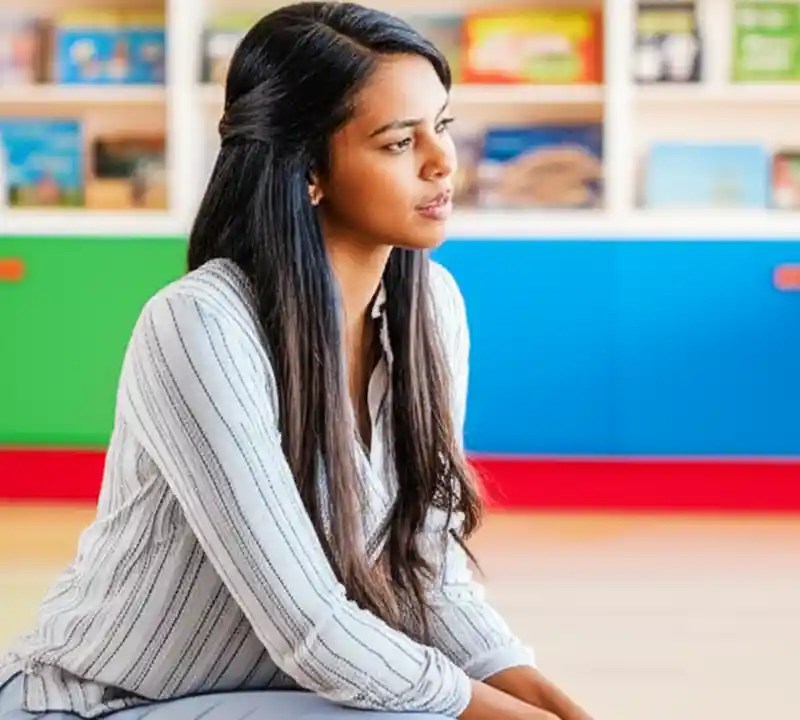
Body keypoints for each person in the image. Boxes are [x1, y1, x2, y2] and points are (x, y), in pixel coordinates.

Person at [0, 3, 591, 719]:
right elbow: (310, 627)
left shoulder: (431, 306)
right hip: (101, 704)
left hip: (275, 701)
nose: (442, 163)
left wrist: (551, 704)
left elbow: (427, 580)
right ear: (309, 170)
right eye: (399, 142)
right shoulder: (202, 324)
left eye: (442, 126)